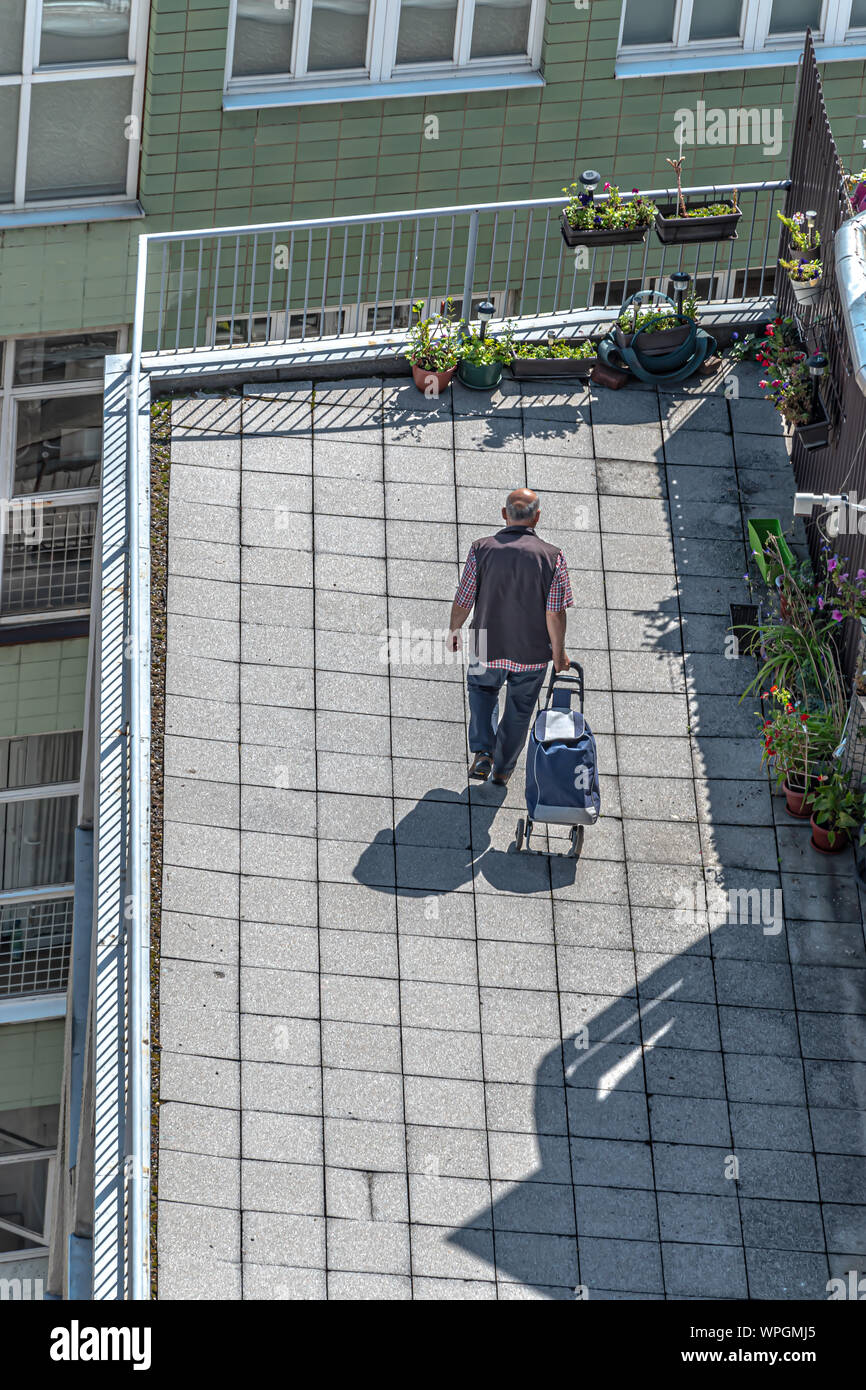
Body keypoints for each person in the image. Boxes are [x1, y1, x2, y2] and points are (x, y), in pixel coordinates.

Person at [446, 488, 573, 785]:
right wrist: (558, 653)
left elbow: (464, 598)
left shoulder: (481, 549)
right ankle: (502, 770)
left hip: (485, 645)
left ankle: (483, 752)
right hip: (531, 652)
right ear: (537, 518)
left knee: (481, 691)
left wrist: (454, 629)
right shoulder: (553, 558)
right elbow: (554, 613)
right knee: (520, 709)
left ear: (504, 514)